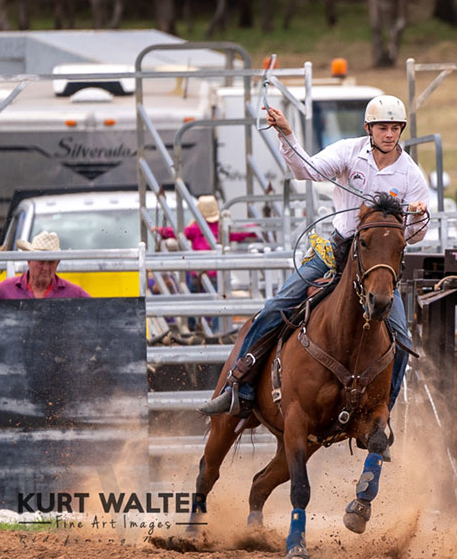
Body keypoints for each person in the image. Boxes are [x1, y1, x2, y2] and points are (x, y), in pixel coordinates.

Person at [198, 95, 430, 417]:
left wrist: (418, 216)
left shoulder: (411, 176)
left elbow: (415, 236)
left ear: (400, 130)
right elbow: (308, 170)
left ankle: (382, 414)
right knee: (277, 305)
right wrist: (287, 135)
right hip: (338, 249)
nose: (389, 134)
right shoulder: (350, 152)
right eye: (382, 127)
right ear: (369, 129)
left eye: (394, 128)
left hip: (377, 262)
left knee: (401, 337)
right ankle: (239, 387)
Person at [155, 195, 260, 290]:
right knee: (217, 301)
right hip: (216, 273)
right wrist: (255, 228)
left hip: (197, 273)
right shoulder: (221, 228)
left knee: (195, 303)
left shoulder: (196, 228)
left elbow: (180, 233)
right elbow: (239, 233)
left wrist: (161, 230)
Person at [0, 231, 90, 300]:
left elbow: (98, 317)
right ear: (29, 260)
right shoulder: (3, 290)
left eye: (51, 262)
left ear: (58, 263)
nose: (46, 268)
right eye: (41, 261)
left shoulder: (75, 293)